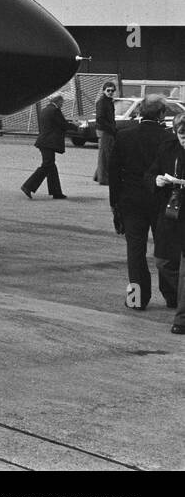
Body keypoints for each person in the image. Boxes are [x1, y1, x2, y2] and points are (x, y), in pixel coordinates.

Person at [109, 95, 175, 310]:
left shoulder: (124, 135)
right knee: (165, 251)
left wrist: (115, 204)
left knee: (135, 252)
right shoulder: (168, 138)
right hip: (160, 200)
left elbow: (113, 173)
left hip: (130, 200)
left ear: (140, 111)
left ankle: (136, 299)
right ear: (162, 113)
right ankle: (172, 296)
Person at [22, 94, 79, 200]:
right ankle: (28, 186)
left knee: (51, 166)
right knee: (47, 165)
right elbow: (63, 124)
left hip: (44, 142)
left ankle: (56, 192)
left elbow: (56, 123)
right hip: (48, 142)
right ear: (58, 102)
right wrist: (75, 126)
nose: (62, 104)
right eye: (62, 102)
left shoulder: (45, 110)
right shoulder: (55, 111)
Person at [158, 116, 185, 332]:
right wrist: (156, 180)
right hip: (174, 214)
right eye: (181, 135)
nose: (184, 140)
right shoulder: (170, 150)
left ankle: (181, 318)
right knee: (165, 261)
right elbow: (151, 171)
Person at [93, 80, 118, 185]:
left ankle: (98, 176)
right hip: (104, 131)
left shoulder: (109, 101)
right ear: (104, 91)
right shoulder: (102, 102)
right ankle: (103, 179)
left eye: (112, 90)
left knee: (105, 154)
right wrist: (111, 128)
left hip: (107, 130)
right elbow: (100, 118)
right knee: (105, 155)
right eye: (108, 90)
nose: (110, 92)